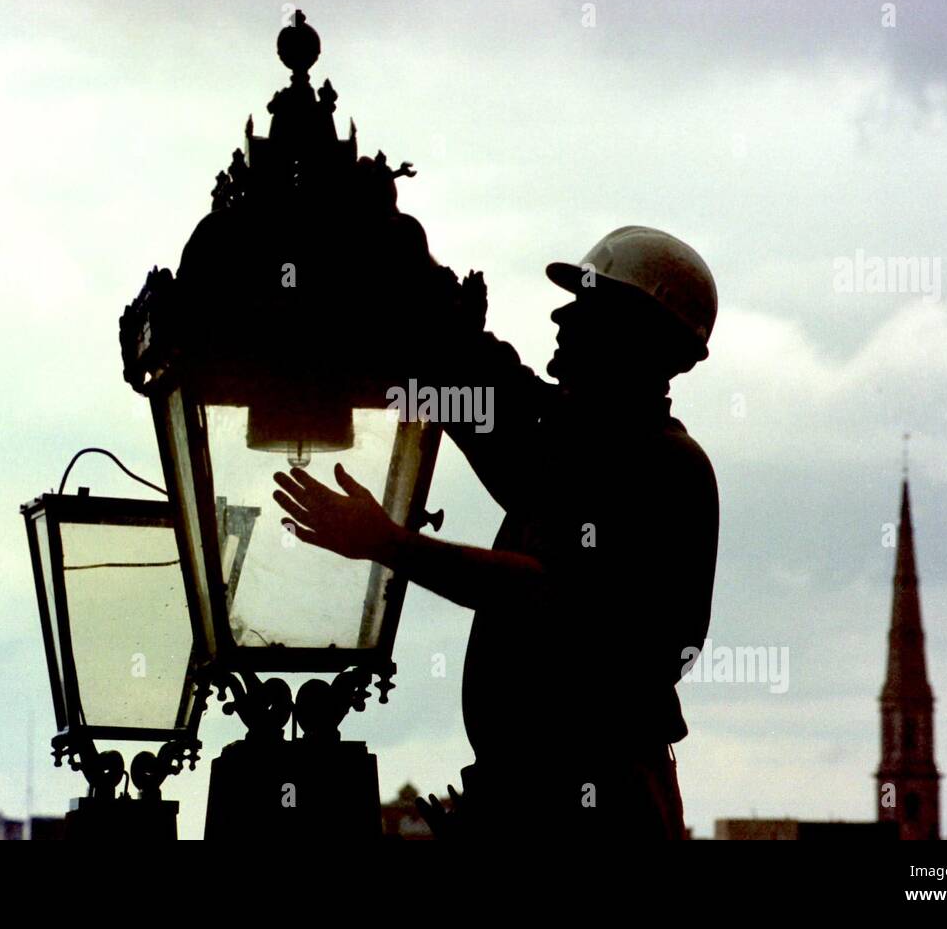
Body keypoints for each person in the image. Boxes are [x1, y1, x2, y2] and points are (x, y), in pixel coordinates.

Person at [272, 226, 719, 841]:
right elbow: (488, 399)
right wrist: (437, 327)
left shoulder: (661, 467)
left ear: (635, 335)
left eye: (586, 304)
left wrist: (387, 543)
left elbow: (549, 593)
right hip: (537, 797)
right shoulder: (580, 449)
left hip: (589, 809)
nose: (561, 316)